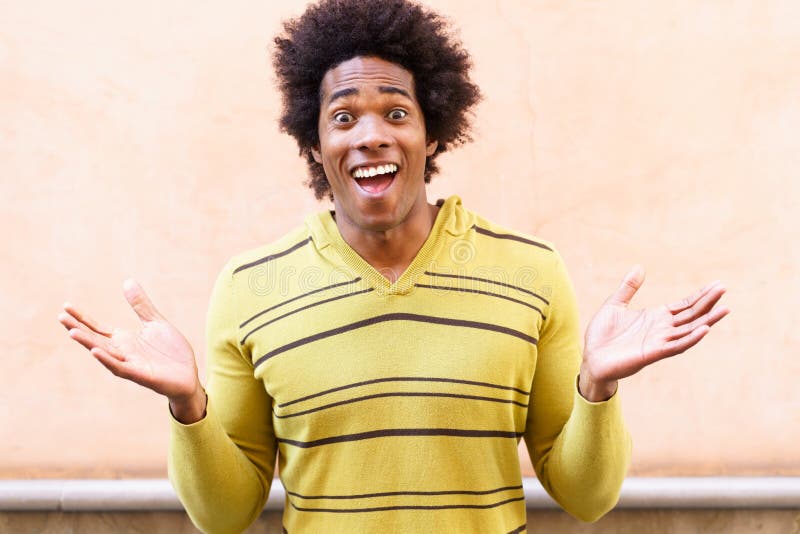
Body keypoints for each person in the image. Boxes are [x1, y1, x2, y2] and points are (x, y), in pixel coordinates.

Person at [58, 0, 729, 532]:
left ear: (432, 130)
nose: (370, 134)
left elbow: (587, 499)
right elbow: (225, 516)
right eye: (343, 116)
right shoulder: (250, 288)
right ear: (315, 145)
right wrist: (188, 406)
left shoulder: (531, 271)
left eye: (396, 112)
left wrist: (597, 390)